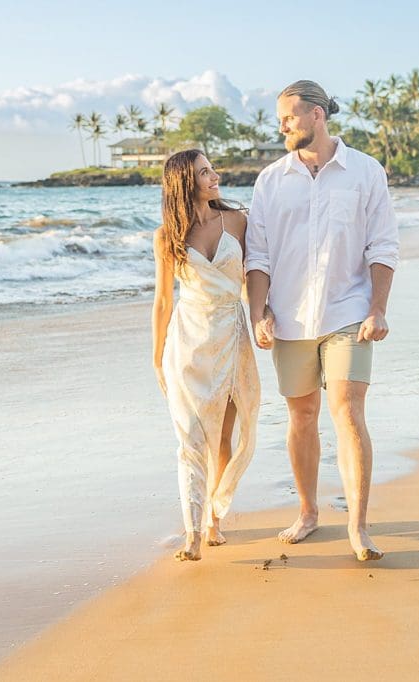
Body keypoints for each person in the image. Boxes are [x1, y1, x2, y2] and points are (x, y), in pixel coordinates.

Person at [245, 80, 399, 561]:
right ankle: (308, 512)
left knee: (348, 411)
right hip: (289, 317)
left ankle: (358, 526)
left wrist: (377, 308)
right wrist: (258, 313)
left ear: (317, 114)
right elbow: (257, 255)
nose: (283, 127)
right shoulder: (270, 180)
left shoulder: (365, 171)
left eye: (289, 117)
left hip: (349, 311)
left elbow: (383, 245)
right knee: (302, 415)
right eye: (280, 120)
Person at [152, 149, 260, 562]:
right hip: (188, 343)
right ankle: (192, 533)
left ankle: (214, 516)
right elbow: (164, 301)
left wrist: (262, 317)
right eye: (204, 172)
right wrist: (156, 356)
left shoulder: (237, 222)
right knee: (191, 438)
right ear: (185, 182)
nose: (215, 176)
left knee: (224, 436)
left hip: (231, 337)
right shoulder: (167, 236)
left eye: (212, 169)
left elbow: (252, 278)